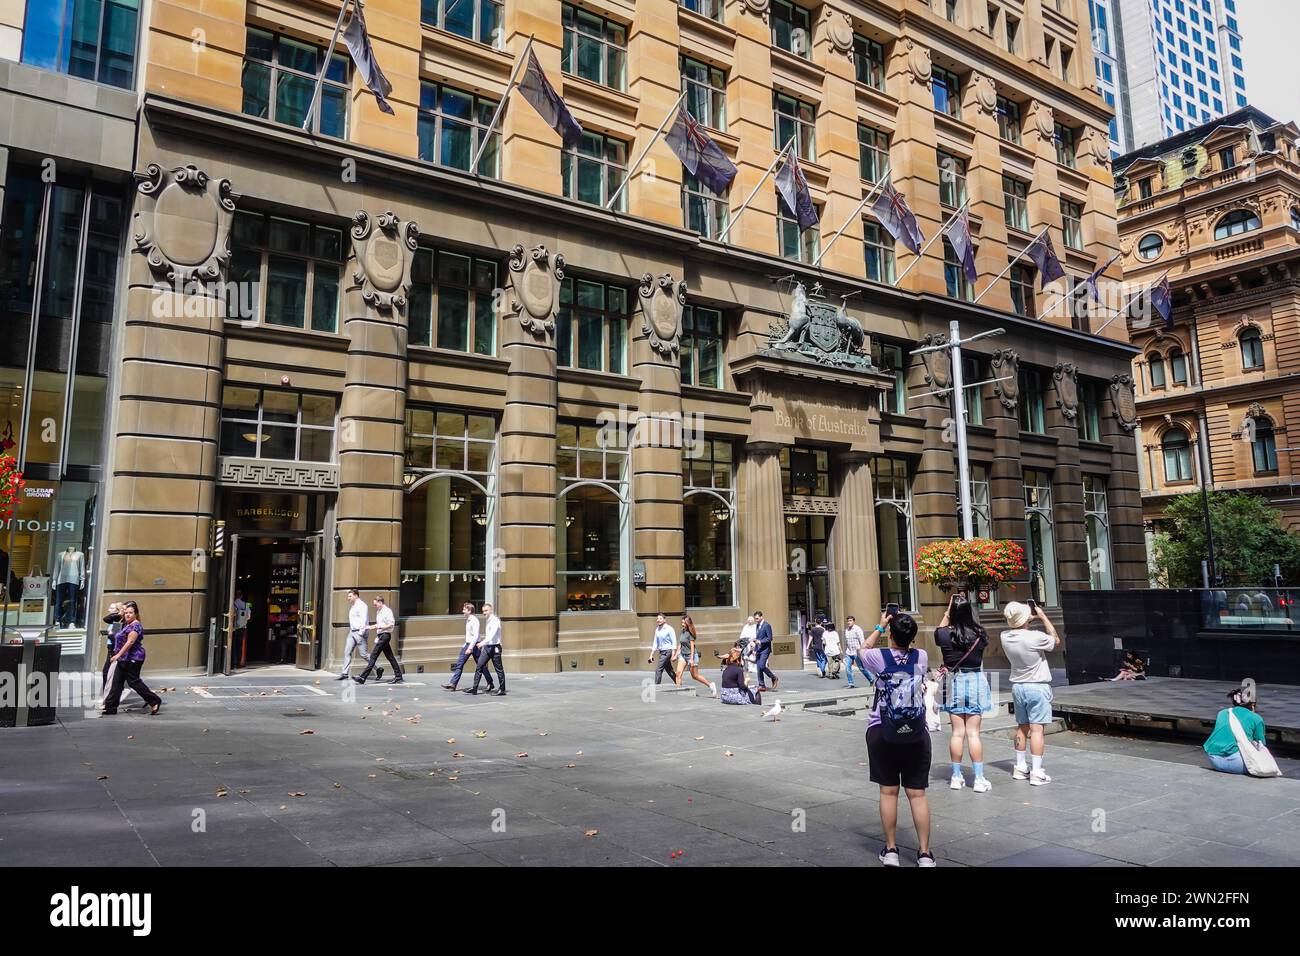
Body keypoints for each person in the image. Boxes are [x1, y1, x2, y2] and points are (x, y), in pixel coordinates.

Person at [857, 610, 935, 867]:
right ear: (912, 637)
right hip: (916, 731)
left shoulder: (878, 657)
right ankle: (924, 854)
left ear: (891, 634)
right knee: (917, 794)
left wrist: (879, 627)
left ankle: (891, 850)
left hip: (882, 730)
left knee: (889, 792)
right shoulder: (921, 656)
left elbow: (861, 650)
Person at [933, 594, 993, 793]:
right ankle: (978, 778)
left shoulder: (944, 635)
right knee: (973, 733)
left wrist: (947, 611)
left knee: (957, 733)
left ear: (952, 613)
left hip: (954, 682)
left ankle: (956, 777)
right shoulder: (980, 634)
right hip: (975, 681)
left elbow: (939, 631)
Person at [1000, 601, 1060, 786]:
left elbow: (1018, 628)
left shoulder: (1005, 636)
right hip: (1036, 686)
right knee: (1037, 730)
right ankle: (1037, 771)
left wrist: (1025, 619)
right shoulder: (1035, 637)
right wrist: (1042, 616)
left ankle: (1019, 767)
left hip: (1018, 687)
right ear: (1026, 619)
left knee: (1022, 727)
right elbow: (1055, 640)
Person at [101, 602, 162, 717]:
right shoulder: (124, 623)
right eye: (126, 612)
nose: (128, 614)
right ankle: (110, 707)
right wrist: (120, 615)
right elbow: (110, 629)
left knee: (133, 682)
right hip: (122, 657)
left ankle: (154, 700)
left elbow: (130, 642)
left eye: (130, 612)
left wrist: (118, 655)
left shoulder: (135, 625)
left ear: (136, 614)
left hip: (133, 658)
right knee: (116, 681)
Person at [1204, 686, 1267, 774]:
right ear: (1253, 704)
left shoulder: (1222, 713)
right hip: (1238, 764)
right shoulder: (1256, 718)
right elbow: (1261, 744)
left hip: (1214, 761)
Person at [444, 601, 493, 692]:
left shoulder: (474, 621)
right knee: (460, 664)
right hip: (468, 644)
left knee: (481, 665)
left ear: (469, 610)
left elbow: (475, 636)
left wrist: (470, 648)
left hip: (474, 645)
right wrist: (465, 645)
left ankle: (490, 682)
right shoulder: (468, 620)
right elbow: (469, 635)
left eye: (464, 609)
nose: (463, 611)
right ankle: (453, 684)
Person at [356, 596, 403, 685]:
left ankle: (362, 677)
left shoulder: (387, 611)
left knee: (373, 656)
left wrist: (380, 627)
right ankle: (398, 676)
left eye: (376, 604)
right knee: (390, 657)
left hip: (385, 636)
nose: (375, 606)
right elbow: (379, 624)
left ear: (380, 602)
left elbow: (391, 624)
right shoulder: (379, 611)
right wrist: (369, 627)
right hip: (381, 635)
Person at [468, 601, 506, 696]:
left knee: (499, 669)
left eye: (486, 611)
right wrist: (484, 644)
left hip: (495, 648)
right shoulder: (488, 620)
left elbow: (492, 636)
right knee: (479, 666)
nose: (484, 613)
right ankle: (474, 688)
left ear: (491, 610)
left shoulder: (495, 620)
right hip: (487, 648)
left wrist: (482, 643)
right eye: (483, 611)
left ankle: (502, 689)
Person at [337, 589, 376, 681]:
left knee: (364, 654)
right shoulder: (353, 606)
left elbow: (363, 620)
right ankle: (344, 673)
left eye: (350, 596)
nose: (348, 598)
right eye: (348, 596)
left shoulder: (362, 605)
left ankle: (378, 668)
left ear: (356, 596)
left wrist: (361, 633)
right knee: (347, 652)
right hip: (352, 632)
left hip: (359, 632)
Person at [680, 614, 717, 696]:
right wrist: (676, 654)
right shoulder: (682, 631)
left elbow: (692, 647)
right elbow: (681, 643)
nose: (682, 624)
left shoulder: (690, 633)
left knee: (695, 676)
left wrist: (692, 659)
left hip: (692, 656)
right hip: (683, 655)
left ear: (687, 623)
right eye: (682, 622)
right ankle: (679, 692)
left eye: (683, 623)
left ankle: (710, 685)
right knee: (679, 673)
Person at [647, 612, 678, 685]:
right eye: (657, 618)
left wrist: (673, 655)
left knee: (658, 669)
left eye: (660, 618)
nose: (658, 620)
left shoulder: (669, 629)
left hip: (668, 651)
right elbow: (655, 643)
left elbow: (674, 642)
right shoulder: (657, 629)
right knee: (669, 670)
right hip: (662, 652)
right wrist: (651, 655)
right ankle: (678, 682)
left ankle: (656, 687)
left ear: (664, 620)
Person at [753, 610, 778, 690]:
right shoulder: (757, 625)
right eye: (755, 619)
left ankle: (773, 677)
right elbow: (758, 638)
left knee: (762, 666)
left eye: (757, 618)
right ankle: (761, 685)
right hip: (758, 649)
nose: (756, 620)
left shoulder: (767, 625)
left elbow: (769, 638)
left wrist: (760, 641)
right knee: (758, 668)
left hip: (765, 649)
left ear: (761, 617)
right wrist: (755, 648)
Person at [101, 602, 123, 688]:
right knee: (109, 672)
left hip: (113, 649)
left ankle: (107, 694)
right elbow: (105, 619)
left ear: (117, 611)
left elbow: (114, 638)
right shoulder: (114, 621)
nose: (108, 610)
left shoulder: (117, 623)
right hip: (110, 648)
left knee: (106, 672)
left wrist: (110, 634)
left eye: (111, 608)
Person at [843, 615, 870, 688]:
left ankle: (871, 680)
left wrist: (862, 651)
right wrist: (845, 651)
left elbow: (862, 640)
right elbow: (846, 642)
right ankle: (851, 683)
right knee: (847, 668)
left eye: (850, 620)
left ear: (854, 621)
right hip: (849, 652)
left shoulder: (858, 629)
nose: (849, 622)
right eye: (848, 621)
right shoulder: (846, 630)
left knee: (861, 668)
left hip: (856, 652)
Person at [231, 590, 250, 670]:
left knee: (233, 645)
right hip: (242, 627)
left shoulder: (233, 604)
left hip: (234, 628)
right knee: (239, 645)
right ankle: (238, 662)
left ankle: (233, 663)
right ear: (241, 596)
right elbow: (248, 617)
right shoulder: (246, 605)